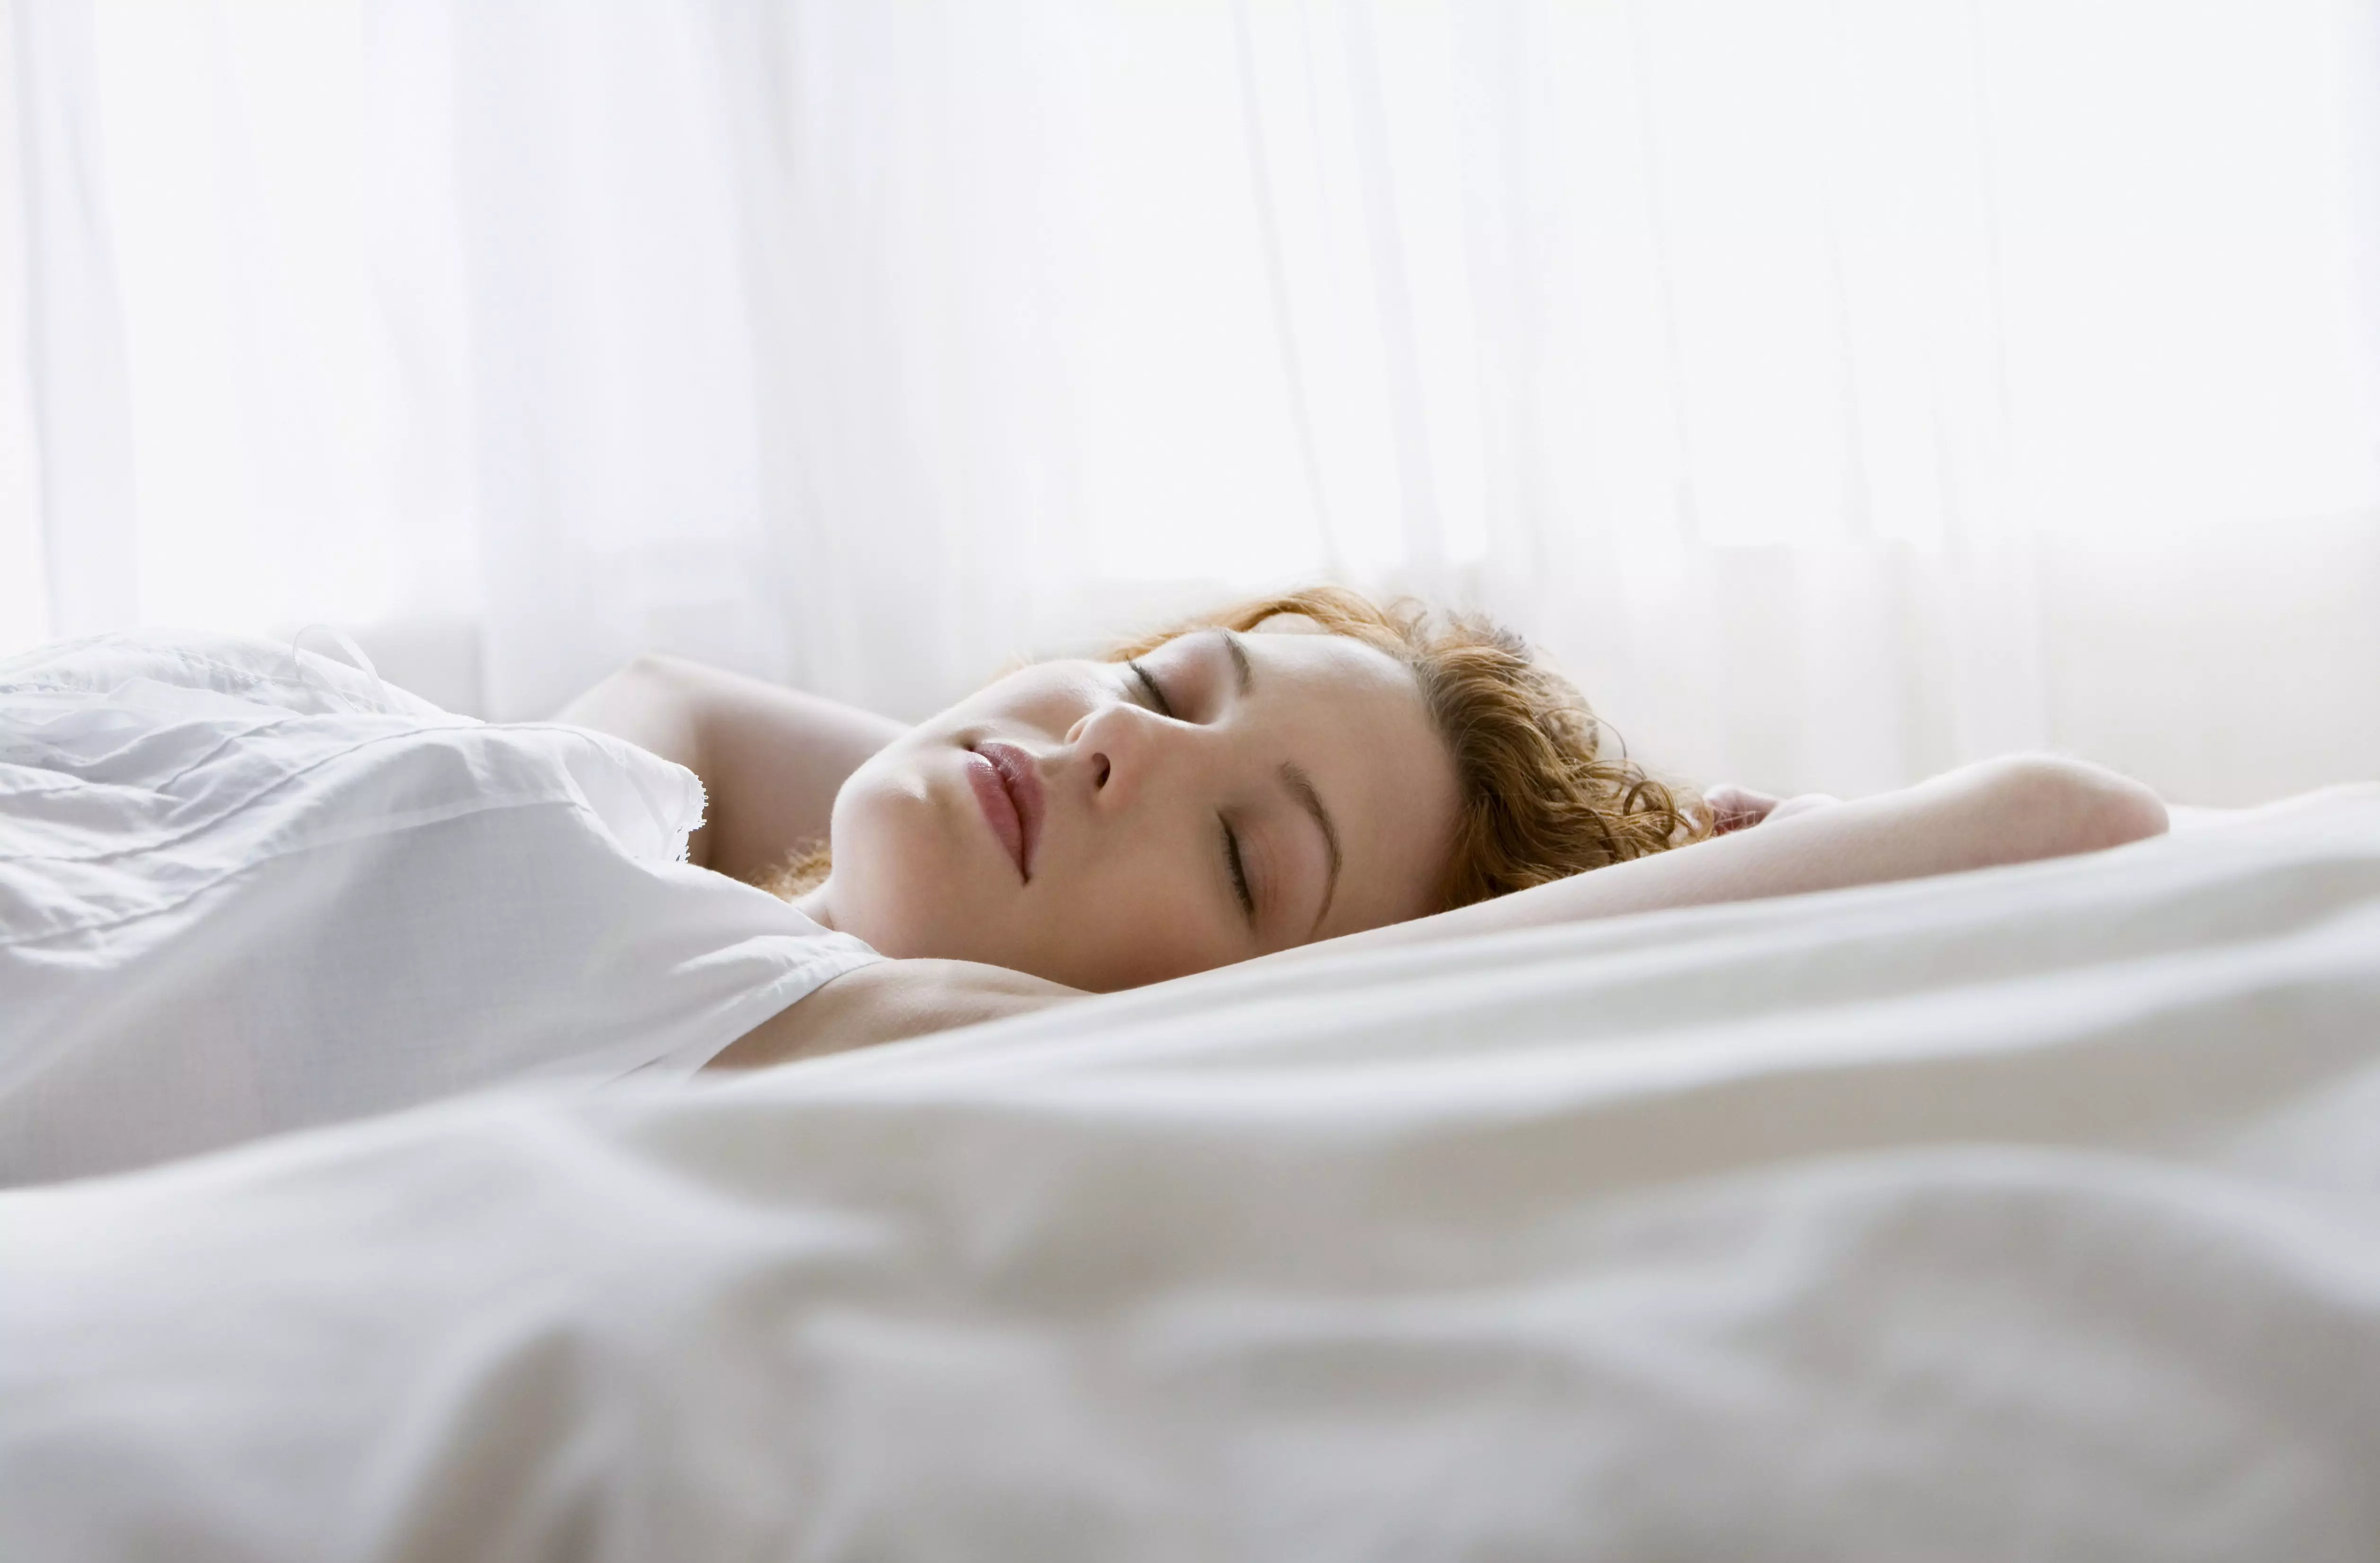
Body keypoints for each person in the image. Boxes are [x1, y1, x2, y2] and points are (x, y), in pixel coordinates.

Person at [558, 587, 2168, 1068]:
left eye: (1250, 862)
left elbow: (2063, 821)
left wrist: (1758, 863)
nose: (1112, 738)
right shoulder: (650, 821)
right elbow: (667, 694)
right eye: (1163, 684)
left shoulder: (907, 1029)